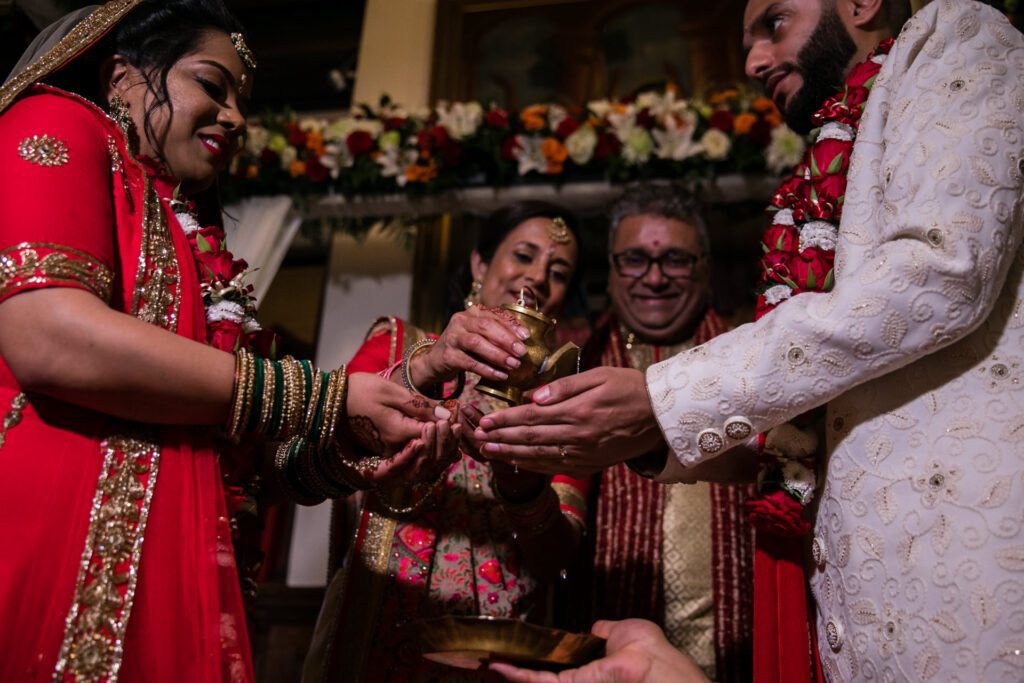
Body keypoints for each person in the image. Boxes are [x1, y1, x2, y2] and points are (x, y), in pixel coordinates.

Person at [479, 0, 1024, 681]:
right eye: (633, 262)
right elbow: (815, 416)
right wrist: (647, 435)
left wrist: (660, 400)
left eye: (774, 23)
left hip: (962, 569)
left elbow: (939, 269)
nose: (753, 62)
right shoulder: (834, 159)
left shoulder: (955, 35)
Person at [0, 2, 454, 681]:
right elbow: (47, 335)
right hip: (60, 535)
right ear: (121, 76)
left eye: (242, 100)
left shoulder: (191, 244)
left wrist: (360, 432)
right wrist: (327, 394)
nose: (237, 118)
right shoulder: (56, 122)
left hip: (179, 568)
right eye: (213, 86)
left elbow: (244, 470)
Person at [303, 201, 591, 682]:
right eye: (523, 255)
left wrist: (523, 487)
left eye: (558, 271)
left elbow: (556, 557)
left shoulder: (562, 402)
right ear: (480, 263)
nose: (539, 277)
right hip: (379, 633)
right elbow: (321, 446)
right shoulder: (401, 343)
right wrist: (427, 368)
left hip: (502, 652)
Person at [575, 184, 754, 681]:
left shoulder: (753, 366)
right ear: (611, 272)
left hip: (741, 648)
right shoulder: (571, 366)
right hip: (597, 643)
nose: (654, 278)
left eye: (675, 259)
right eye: (635, 259)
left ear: (705, 268)